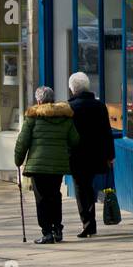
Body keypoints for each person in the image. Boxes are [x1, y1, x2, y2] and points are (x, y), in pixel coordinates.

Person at [14, 86, 80, 244]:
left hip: (38, 166)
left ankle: (47, 233)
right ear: (53, 99)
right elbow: (75, 140)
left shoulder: (33, 117)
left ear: (38, 101)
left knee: (42, 199)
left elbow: (23, 142)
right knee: (55, 196)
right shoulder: (65, 117)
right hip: (57, 166)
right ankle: (57, 229)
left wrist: (18, 160)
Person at [67, 71, 115, 238]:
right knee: (90, 187)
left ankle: (88, 223)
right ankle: (90, 223)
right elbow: (107, 132)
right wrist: (110, 155)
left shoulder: (70, 108)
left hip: (77, 155)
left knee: (81, 189)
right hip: (97, 154)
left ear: (73, 89)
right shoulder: (99, 106)